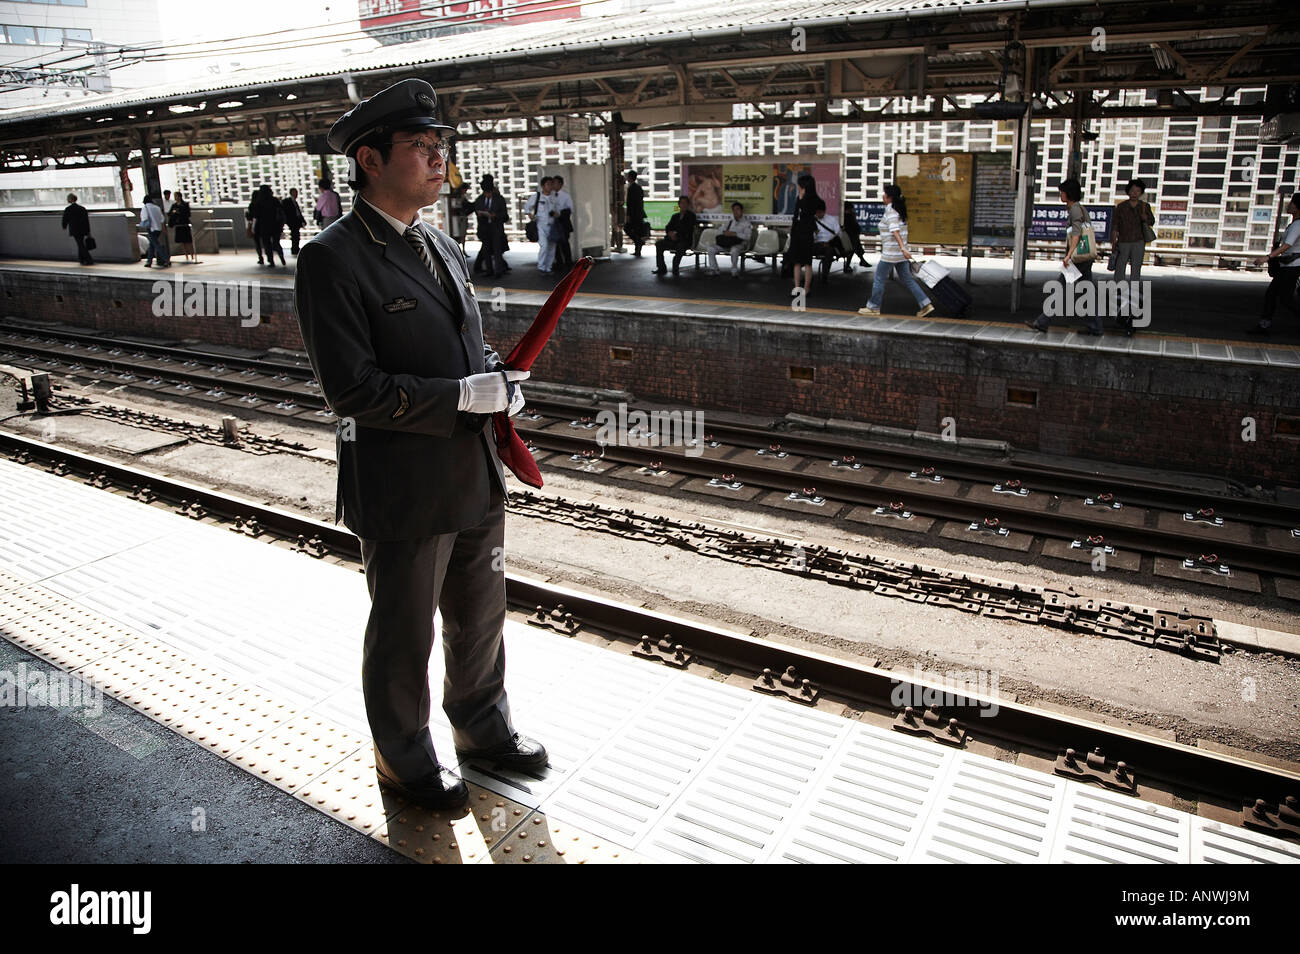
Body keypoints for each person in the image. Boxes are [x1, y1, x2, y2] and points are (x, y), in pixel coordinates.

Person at [293, 78, 545, 811]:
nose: (441, 161)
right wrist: (464, 396)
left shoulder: (439, 242)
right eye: (424, 148)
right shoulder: (333, 258)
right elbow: (353, 391)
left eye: (443, 148)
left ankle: (482, 729)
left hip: (472, 468)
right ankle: (403, 759)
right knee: (405, 633)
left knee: (480, 617)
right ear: (371, 160)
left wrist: (498, 380)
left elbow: (462, 345)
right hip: (402, 482)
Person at [1026, 178, 1099, 334]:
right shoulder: (1079, 208)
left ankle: (1043, 322)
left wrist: (1069, 255)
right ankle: (1095, 327)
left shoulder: (1075, 210)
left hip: (1078, 259)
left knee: (1061, 289)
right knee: (1085, 292)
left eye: (1062, 192)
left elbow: (1077, 233)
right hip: (1084, 259)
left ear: (1068, 193)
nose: (1061, 194)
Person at [857, 184, 933, 318]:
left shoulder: (891, 210)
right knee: (908, 280)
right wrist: (903, 249)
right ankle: (925, 304)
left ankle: (873, 307)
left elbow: (894, 230)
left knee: (879, 279)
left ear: (889, 197)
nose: (882, 196)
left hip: (891, 254)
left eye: (884, 194)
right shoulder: (899, 209)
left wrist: (902, 247)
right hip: (900, 254)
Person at [1251, 191, 1300, 335]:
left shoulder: (1297, 225)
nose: (1289, 205)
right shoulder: (1295, 224)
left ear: (1297, 208)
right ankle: (1264, 324)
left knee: (1283, 299)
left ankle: (1264, 325)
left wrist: (1268, 257)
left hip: (1291, 267)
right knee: (1274, 295)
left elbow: (1287, 245)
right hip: (1289, 266)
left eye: (1292, 203)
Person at [1111, 178, 1154, 331]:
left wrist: (1145, 218)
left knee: (1136, 268)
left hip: (1138, 241)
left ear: (1141, 193)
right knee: (1120, 266)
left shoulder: (1144, 206)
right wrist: (1114, 240)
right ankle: (1119, 288)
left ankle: (1133, 288)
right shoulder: (1121, 207)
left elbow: (1152, 221)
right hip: (1123, 240)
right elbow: (1115, 224)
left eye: (1138, 191)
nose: (1135, 193)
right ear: (1128, 191)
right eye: (1132, 190)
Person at [470, 173, 509, 278]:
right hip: (484, 228)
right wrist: (482, 214)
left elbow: (505, 215)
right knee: (486, 250)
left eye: (489, 192)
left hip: (496, 227)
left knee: (497, 250)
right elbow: (476, 211)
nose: (487, 195)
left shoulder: (499, 199)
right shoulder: (479, 200)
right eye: (485, 193)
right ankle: (489, 270)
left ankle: (498, 271)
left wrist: (495, 215)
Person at [787, 174, 819, 296]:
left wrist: (801, 200)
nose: (798, 187)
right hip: (797, 233)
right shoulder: (798, 198)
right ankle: (796, 286)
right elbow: (796, 215)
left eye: (800, 185)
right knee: (796, 262)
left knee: (807, 262)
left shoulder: (813, 199)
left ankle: (806, 288)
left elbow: (806, 213)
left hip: (807, 233)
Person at [652, 194, 696, 276]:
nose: (683, 205)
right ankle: (661, 268)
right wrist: (670, 233)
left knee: (680, 247)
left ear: (688, 205)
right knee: (659, 244)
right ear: (679, 204)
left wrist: (676, 234)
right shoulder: (675, 216)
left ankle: (675, 268)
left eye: (685, 203)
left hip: (684, 240)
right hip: (672, 239)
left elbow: (688, 229)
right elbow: (668, 227)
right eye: (682, 203)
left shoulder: (691, 216)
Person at [707, 202, 752, 276]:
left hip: (739, 244)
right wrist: (724, 232)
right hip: (727, 243)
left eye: (737, 209)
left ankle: (734, 270)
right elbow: (720, 231)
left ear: (742, 211)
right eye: (734, 210)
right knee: (710, 248)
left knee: (734, 250)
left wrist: (735, 234)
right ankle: (714, 269)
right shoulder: (730, 222)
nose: (736, 212)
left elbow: (748, 237)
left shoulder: (746, 223)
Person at [526, 176, 558, 273]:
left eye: (551, 184)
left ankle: (549, 267)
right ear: (543, 186)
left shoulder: (554, 197)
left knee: (552, 247)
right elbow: (527, 207)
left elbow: (557, 210)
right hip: (541, 224)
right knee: (544, 245)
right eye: (548, 184)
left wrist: (556, 214)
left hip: (552, 225)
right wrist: (530, 215)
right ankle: (541, 266)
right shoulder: (537, 196)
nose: (550, 186)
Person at [251, 184, 286, 266]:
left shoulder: (259, 202)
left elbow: (256, 216)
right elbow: (281, 211)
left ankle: (271, 261)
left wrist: (253, 227)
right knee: (276, 242)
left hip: (264, 227)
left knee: (267, 244)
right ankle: (281, 257)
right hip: (276, 225)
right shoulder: (274, 200)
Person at [61, 193, 94, 265]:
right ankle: (81, 259)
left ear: (70, 199)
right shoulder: (82, 208)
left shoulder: (68, 209)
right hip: (83, 229)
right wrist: (88, 231)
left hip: (74, 230)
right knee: (80, 243)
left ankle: (89, 260)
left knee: (80, 244)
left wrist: (64, 226)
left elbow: (65, 219)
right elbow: (86, 221)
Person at [139, 194, 170, 268]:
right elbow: (162, 219)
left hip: (151, 228)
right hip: (158, 228)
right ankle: (149, 261)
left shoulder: (145, 208)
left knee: (156, 245)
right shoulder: (157, 208)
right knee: (152, 245)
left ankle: (166, 260)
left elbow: (144, 218)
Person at [551, 175, 575, 269]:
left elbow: (571, 209)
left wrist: (560, 213)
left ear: (561, 184)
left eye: (555, 183)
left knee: (565, 243)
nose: (553, 185)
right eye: (552, 183)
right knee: (555, 243)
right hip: (553, 222)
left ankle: (568, 262)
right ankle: (559, 262)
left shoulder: (566, 195)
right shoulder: (550, 195)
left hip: (563, 222)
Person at [841, 201, 871, 273]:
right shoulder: (847, 217)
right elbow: (854, 227)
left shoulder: (846, 216)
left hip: (851, 238)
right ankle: (860, 261)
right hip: (848, 239)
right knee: (854, 247)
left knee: (855, 245)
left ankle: (861, 260)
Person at [624, 170, 648, 256]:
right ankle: (638, 250)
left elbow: (630, 203)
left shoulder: (631, 188)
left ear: (630, 178)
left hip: (633, 214)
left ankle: (638, 242)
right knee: (637, 231)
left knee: (627, 228)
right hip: (640, 213)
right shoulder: (639, 187)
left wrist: (628, 215)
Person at [169, 190, 195, 262]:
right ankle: (186, 255)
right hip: (178, 225)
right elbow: (170, 213)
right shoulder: (174, 206)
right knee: (182, 241)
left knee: (188, 241)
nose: (175, 198)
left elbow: (188, 214)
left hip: (185, 224)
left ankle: (192, 255)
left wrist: (179, 212)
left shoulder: (185, 204)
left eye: (176, 196)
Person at [282, 187, 307, 255]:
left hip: (296, 220)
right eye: (295, 193)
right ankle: (294, 249)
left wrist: (303, 220)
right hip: (292, 221)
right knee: (294, 235)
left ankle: (296, 248)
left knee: (296, 235)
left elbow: (298, 212)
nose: (296, 194)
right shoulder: (287, 201)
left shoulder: (294, 202)